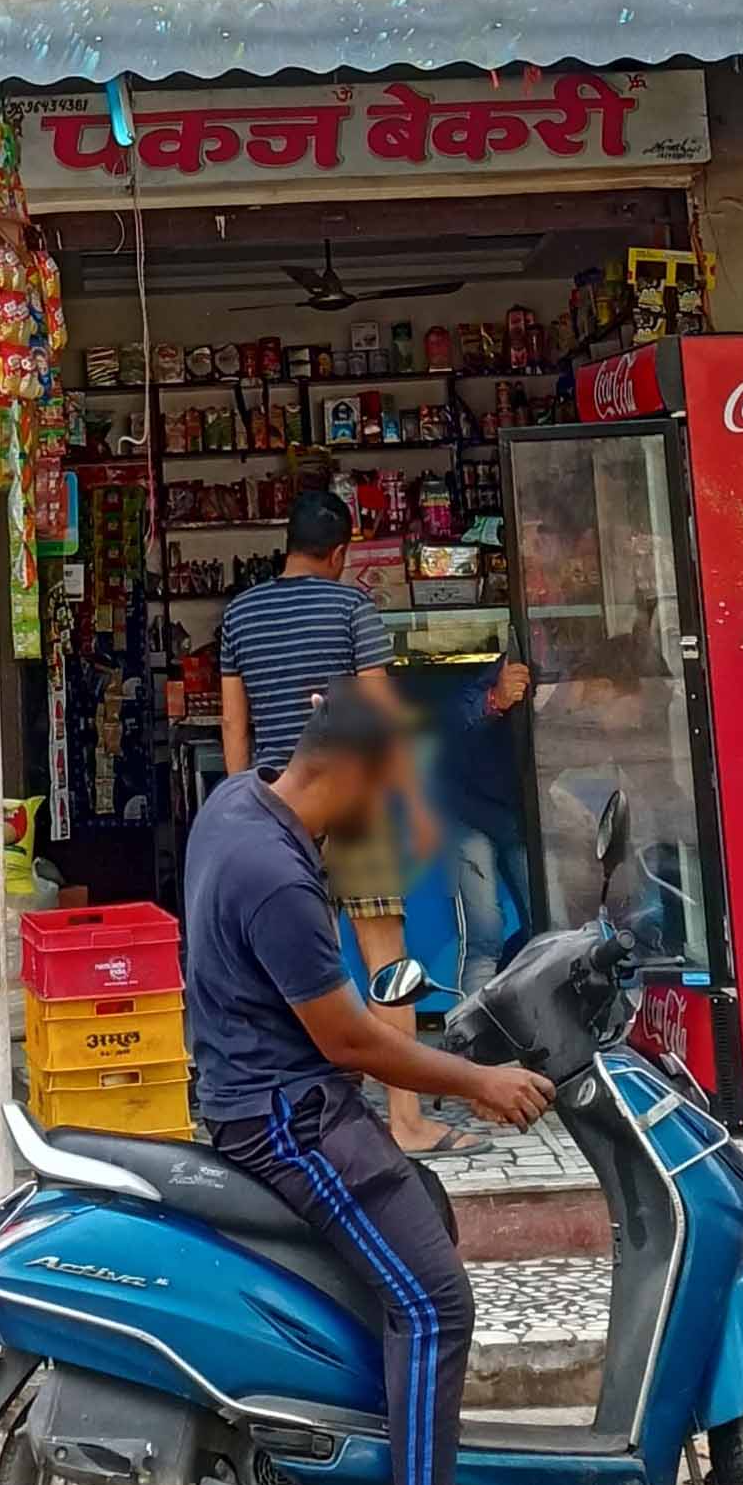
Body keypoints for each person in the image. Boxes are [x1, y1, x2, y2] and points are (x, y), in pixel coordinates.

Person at [187, 681, 555, 1485]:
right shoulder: (275, 875)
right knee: (437, 1302)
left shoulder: (234, 804)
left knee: (422, 1216)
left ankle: (381, 1480)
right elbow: (349, 1038)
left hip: (266, 1091)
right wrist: (478, 1081)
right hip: (286, 1119)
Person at [219, 490, 483, 1157]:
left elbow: (233, 722)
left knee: (281, 965)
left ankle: (295, 1118)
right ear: (339, 551)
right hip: (355, 799)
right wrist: (418, 806)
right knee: (384, 960)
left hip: (276, 807)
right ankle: (406, 1119)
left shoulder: (239, 613)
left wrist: (237, 804)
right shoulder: (350, 607)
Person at [434, 654, 533, 995]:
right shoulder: (511, 668)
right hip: (468, 814)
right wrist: (495, 700)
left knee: (550, 930)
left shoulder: (566, 685)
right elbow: (455, 717)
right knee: (485, 936)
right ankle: (473, 1041)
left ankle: (509, 1004)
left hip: (520, 817)